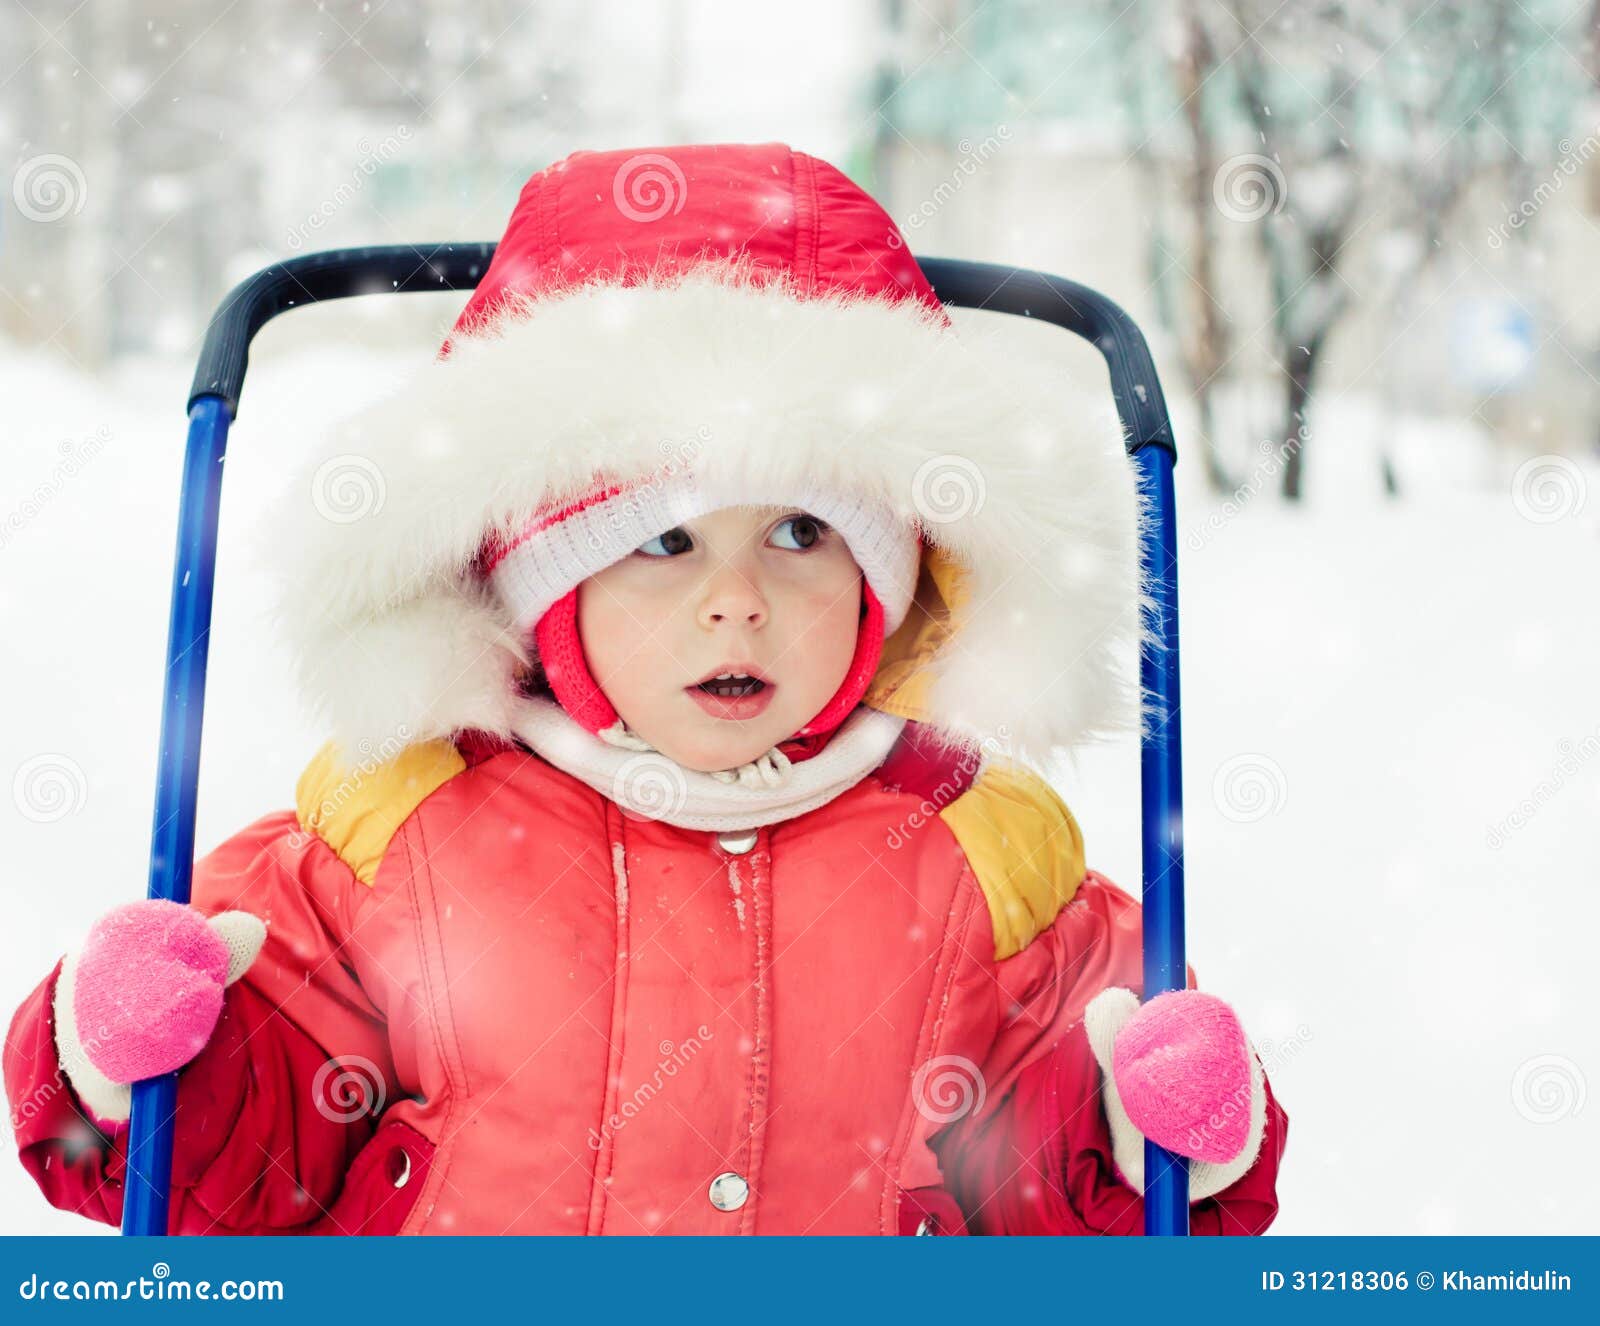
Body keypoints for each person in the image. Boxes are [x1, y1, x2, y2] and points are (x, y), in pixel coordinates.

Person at [4, 142, 1285, 1235]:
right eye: (662, 543)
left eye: (800, 536)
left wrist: (1150, 1135)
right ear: (540, 600)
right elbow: (241, 1175)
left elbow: (1052, 1188)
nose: (737, 601)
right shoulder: (393, 835)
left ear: (888, 588)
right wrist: (141, 1070)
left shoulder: (983, 855)